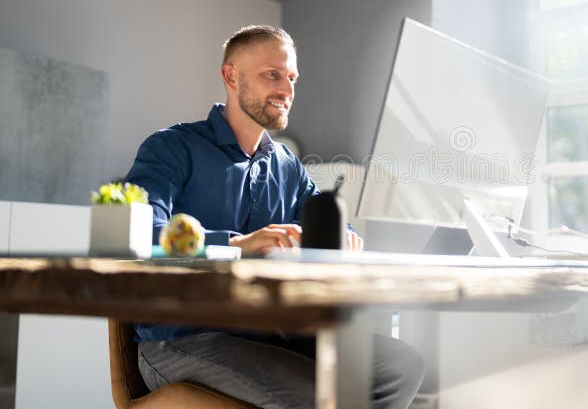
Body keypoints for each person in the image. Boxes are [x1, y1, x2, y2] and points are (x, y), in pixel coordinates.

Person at [125, 25, 425, 408]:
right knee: (313, 398)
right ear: (230, 76)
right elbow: (141, 237)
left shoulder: (288, 166)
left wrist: (341, 236)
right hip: (182, 338)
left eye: (292, 77)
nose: (287, 89)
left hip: (268, 336)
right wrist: (237, 245)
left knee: (400, 367)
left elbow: (330, 223)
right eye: (272, 74)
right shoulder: (171, 147)